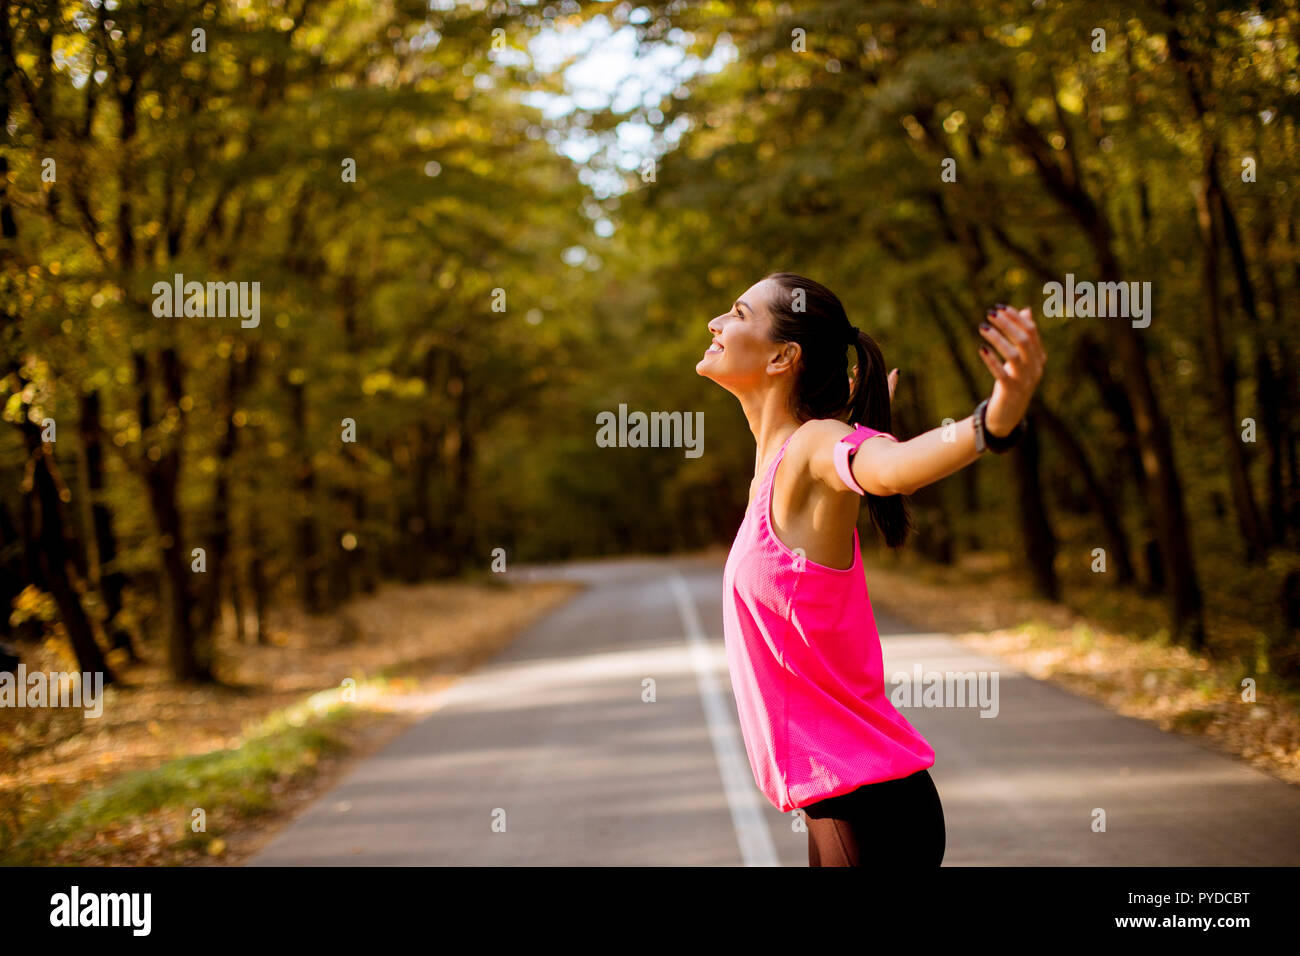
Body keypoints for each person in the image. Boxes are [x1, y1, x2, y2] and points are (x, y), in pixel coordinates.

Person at [696, 272, 1047, 866]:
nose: (716, 323)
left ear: (784, 356)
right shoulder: (780, 469)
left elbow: (893, 466)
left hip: (868, 810)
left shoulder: (812, 447)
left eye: (737, 313)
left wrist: (994, 420)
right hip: (844, 806)